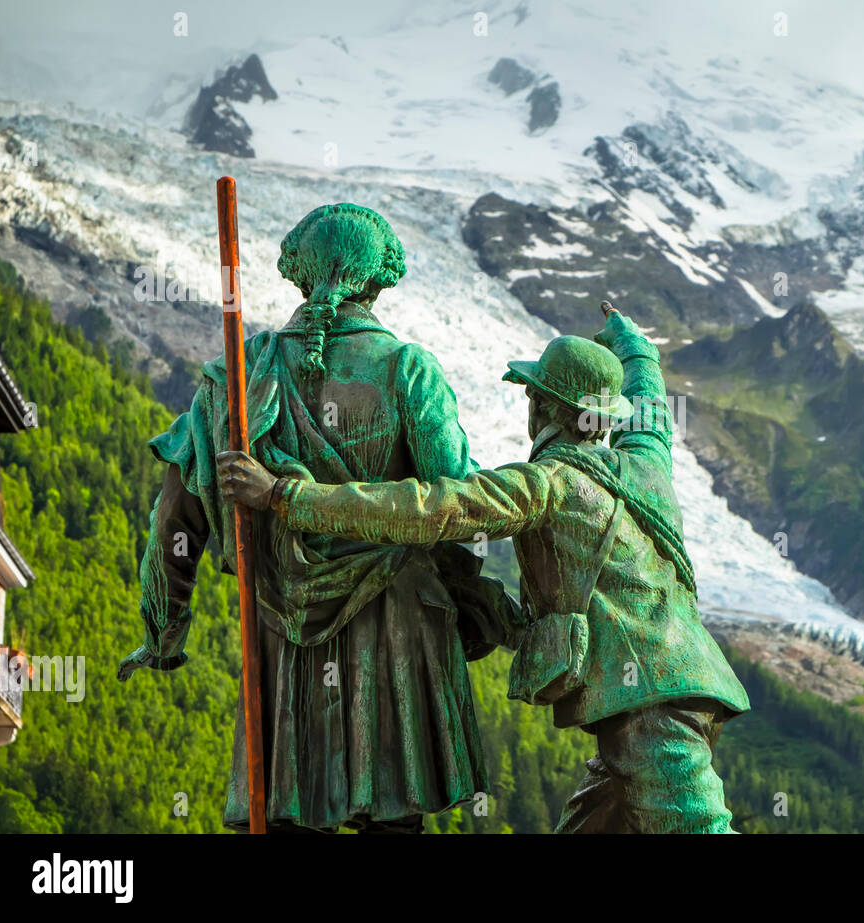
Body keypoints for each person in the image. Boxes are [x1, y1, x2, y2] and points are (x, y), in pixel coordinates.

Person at [219, 305, 751, 833]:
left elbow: (426, 509)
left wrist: (285, 496)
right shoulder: (645, 465)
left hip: (651, 705)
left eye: (532, 396)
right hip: (683, 689)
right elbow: (651, 406)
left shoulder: (543, 485)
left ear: (540, 406)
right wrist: (633, 346)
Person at [119, 203, 518, 833]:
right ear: (378, 279)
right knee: (394, 818)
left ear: (300, 274)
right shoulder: (410, 372)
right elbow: (460, 512)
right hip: (402, 627)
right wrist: (474, 597)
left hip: (286, 634)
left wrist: (164, 629)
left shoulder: (239, 377)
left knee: (289, 818)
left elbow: (174, 517)